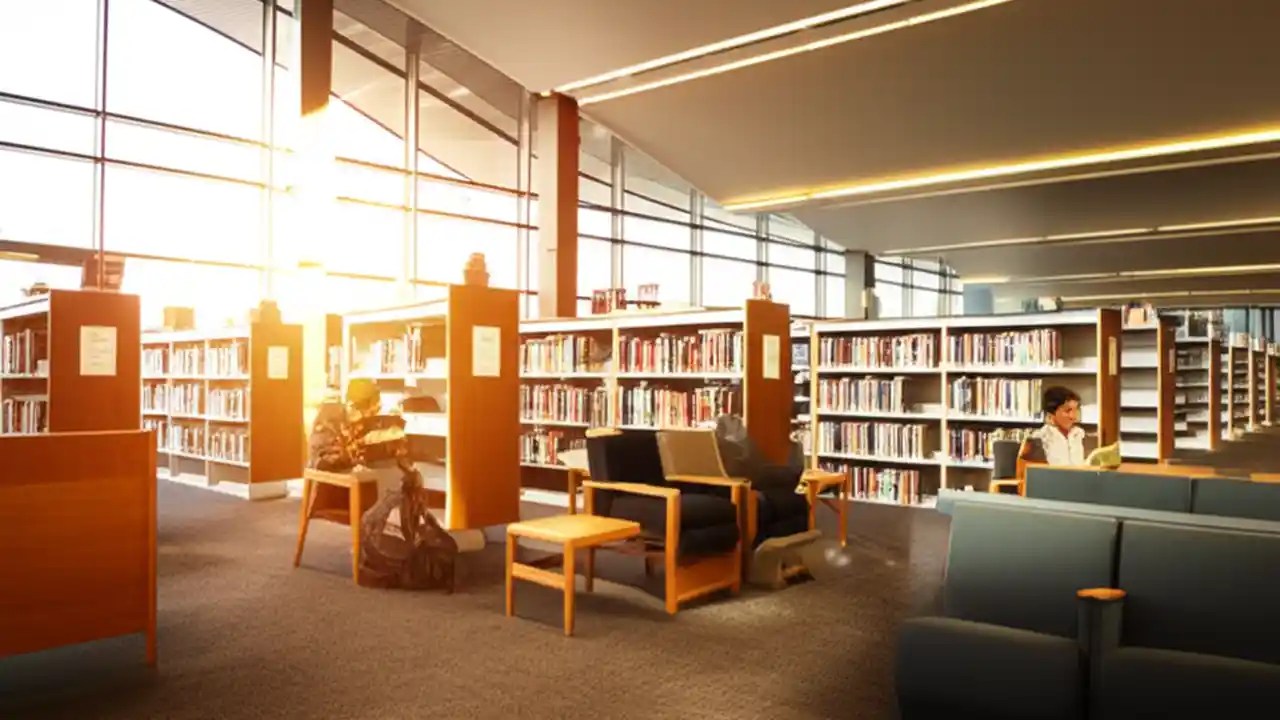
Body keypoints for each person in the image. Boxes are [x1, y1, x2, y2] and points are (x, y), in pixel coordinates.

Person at [1024, 385, 1088, 466]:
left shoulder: (1079, 434)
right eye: (1067, 411)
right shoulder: (1040, 439)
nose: (1073, 416)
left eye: (1076, 410)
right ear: (1051, 414)